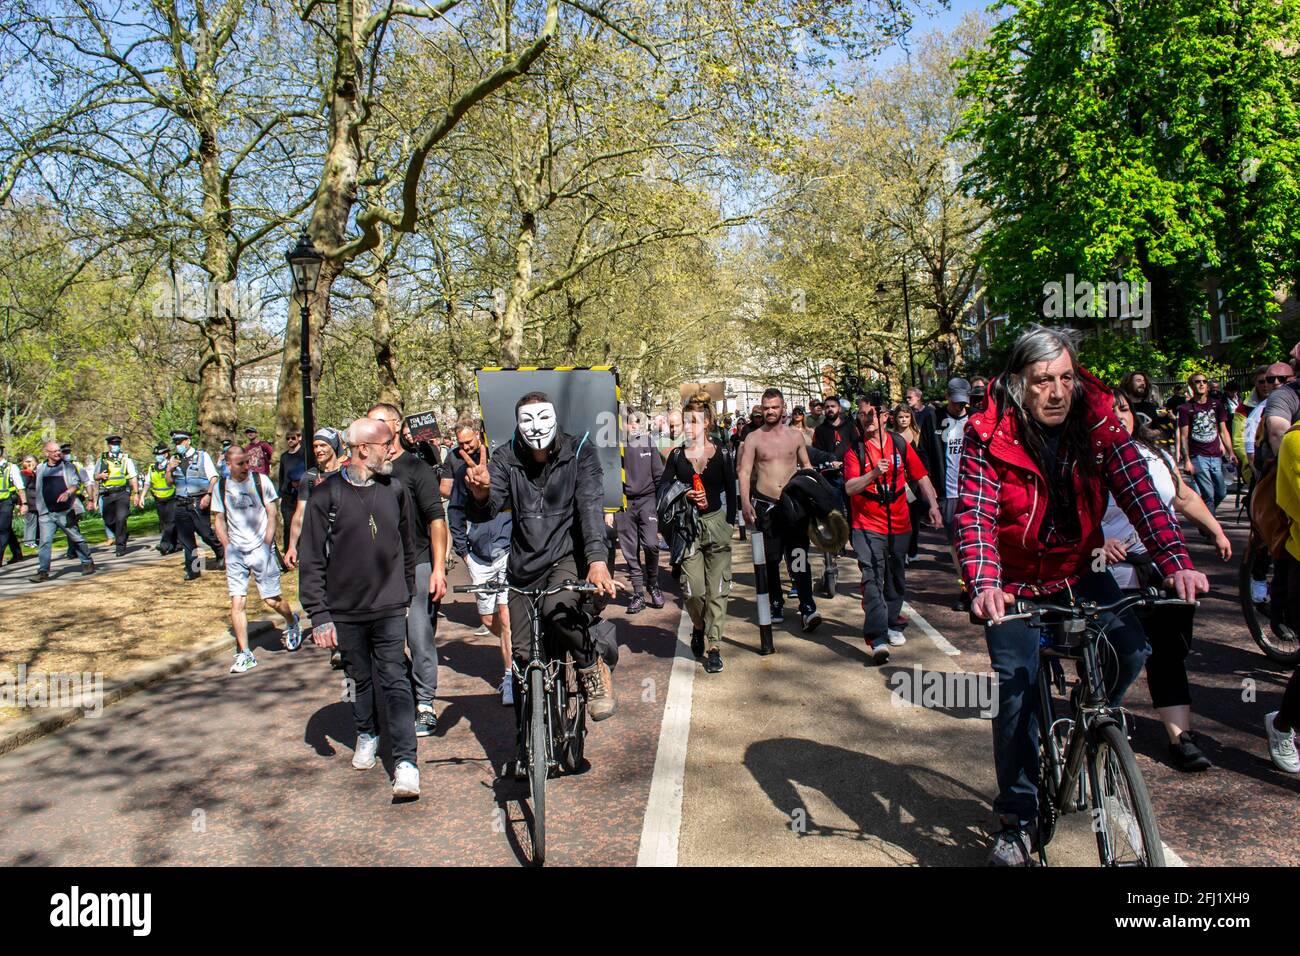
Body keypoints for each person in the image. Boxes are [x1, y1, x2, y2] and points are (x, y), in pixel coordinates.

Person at [957, 324, 1206, 866]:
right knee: (1015, 692)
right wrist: (984, 584)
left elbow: (1140, 491)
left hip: (1080, 565)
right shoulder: (986, 433)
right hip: (1016, 581)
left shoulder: (1097, 423)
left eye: (1066, 378)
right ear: (1019, 383)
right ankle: (1018, 819)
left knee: (1134, 647)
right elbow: (975, 516)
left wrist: (1176, 562)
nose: (1057, 391)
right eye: (1043, 380)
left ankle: (1092, 714)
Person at [461, 391, 621, 724]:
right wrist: (481, 494)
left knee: (557, 613)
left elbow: (590, 506)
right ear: (518, 425)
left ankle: (591, 664)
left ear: (555, 419)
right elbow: (490, 507)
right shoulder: (504, 457)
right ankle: (526, 745)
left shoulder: (579, 451)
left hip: (566, 556)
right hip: (523, 564)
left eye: (543, 418)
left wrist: (596, 560)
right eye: (527, 421)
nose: (535, 428)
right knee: (520, 657)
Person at [1102, 389, 1230, 771]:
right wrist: (1098, 540)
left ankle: (1180, 738)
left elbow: (1183, 496)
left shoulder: (1154, 455)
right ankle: (1101, 716)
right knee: (1122, 652)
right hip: (1111, 574)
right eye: (1109, 411)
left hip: (1162, 571)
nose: (1118, 416)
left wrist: (1216, 530)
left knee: (1169, 652)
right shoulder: (1082, 460)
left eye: (1123, 409)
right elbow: (1066, 517)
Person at [299, 417, 422, 799]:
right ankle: (367, 732)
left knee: (396, 679)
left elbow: (407, 543)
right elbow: (311, 558)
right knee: (359, 677)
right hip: (345, 609)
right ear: (364, 449)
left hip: (388, 604)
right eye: (387, 443)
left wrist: (407, 593)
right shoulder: (325, 495)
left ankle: (406, 762)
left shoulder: (396, 489)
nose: (393, 449)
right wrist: (319, 615)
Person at [366, 402, 448, 737]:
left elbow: (436, 521)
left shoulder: (416, 468)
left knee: (419, 637)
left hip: (417, 563)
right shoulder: (363, 470)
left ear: (396, 426)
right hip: (376, 570)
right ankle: (406, 693)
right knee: (383, 641)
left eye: (378, 423)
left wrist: (439, 568)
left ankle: (425, 704)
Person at [845, 401, 942, 664]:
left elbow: (921, 476)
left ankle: (892, 622)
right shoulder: (856, 451)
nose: (866, 419)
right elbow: (850, 487)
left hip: (899, 522)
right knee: (872, 576)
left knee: (896, 574)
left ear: (885, 416)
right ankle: (876, 637)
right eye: (862, 414)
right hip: (866, 525)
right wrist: (874, 473)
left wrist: (933, 506)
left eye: (871, 414)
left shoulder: (899, 444)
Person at [211, 445, 302, 673]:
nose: (245, 467)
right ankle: (245, 653)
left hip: (261, 549)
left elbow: (272, 514)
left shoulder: (260, 481)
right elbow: (219, 520)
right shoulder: (221, 487)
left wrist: (266, 543)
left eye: (246, 462)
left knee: (271, 600)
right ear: (228, 465)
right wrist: (227, 546)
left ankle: (291, 621)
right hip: (236, 553)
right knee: (237, 602)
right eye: (240, 463)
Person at [738, 387, 822, 632]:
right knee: (771, 559)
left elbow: (806, 465)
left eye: (774, 407)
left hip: (794, 505)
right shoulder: (754, 438)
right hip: (766, 505)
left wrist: (817, 497)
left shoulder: (795, 436)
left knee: (799, 557)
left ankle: (807, 606)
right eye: (766, 408)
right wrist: (745, 503)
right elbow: (743, 472)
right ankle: (776, 602)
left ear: (783, 408)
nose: (770, 412)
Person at [447, 421, 515, 703]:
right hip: (478, 555)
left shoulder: (500, 461)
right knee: (488, 619)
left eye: (469, 441)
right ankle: (515, 644)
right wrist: (463, 552)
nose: (466, 447)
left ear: (478, 434)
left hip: (507, 550)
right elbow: (455, 511)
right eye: (460, 444)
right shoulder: (462, 472)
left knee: (506, 615)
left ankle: (510, 675)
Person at [667, 399, 736, 673]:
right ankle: (698, 625)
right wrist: (684, 493)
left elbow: (731, 490)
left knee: (718, 589)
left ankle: (715, 645)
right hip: (688, 528)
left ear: (706, 423)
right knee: (694, 590)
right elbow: (663, 489)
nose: (687, 426)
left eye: (693, 421)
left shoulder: (723, 453)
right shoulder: (676, 456)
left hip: (717, 524)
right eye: (685, 421)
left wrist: (729, 524)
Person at [925, 378, 973, 610]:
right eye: (956, 403)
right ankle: (965, 588)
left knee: (975, 541)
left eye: (963, 403)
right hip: (949, 493)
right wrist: (931, 488)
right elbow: (924, 453)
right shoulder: (933, 419)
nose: (960, 407)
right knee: (955, 545)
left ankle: (980, 587)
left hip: (973, 491)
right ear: (947, 396)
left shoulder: (975, 420)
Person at [811, 395, 859, 598]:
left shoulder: (850, 427)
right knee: (833, 514)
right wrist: (828, 462)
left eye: (833, 406)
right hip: (829, 477)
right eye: (827, 407)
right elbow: (816, 452)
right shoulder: (821, 430)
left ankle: (855, 543)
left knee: (853, 512)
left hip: (850, 476)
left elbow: (858, 447)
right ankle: (835, 549)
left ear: (839, 408)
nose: (830, 409)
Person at [618, 408, 665, 614]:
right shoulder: (616, 446)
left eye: (638, 422)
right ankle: (638, 593)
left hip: (647, 501)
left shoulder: (649, 443)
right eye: (630, 422)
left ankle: (653, 583)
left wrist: (661, 507)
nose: (634, 425)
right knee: (630, 550)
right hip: (625, 503)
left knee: (652, 544)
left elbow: (659, 477)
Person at [28, 441, 96, 582]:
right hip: (46, 512)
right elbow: (38, 487)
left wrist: (67, 492)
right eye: (54, 451)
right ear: (47, 453)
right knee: (45, 542)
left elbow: (75, 484)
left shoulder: (68, 466)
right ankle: (43, 571)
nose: (58, 453)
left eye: (58, 450)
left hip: (65, 511)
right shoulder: (41, 468)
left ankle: (87, 562)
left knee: (76, 538)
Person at [285, 427, 346, 568]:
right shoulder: (309, 477)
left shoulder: (347, 473)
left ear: (334, 445)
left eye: (323, 445)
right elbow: (300, 513)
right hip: (318, 542)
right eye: (315, 446)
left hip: (345, 541)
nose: (319, 450)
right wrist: (292, 547)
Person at [168, 430, 224, 580]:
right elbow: (169, 482)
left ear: (188, 441)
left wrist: (208, 495)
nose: (178, 445)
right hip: (180, 502)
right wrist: (169, 469)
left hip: (198, 500)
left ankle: (221, 551)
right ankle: (194, 569)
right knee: (186, 538)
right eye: (176, 443)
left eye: (180, 442)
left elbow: (213, 477)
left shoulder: (202, 456)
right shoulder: (174, 459)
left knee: (205, 533)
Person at [1177, 371, 1232, 512]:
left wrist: (1231, 452)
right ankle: (1211, 531)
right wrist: (1187, 460)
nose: (1201, 384)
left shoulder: (1217, 405)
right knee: (1209, 494)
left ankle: (1202, 516)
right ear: (1190, 385)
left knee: (1221, 492)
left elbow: (1223, 431)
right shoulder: (1185, 409)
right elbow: (1183, 436)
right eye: (1197, 381)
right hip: (1198, 456)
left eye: (1204, 381)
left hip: (1215, 455)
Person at [890, 404, 926, 562]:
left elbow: (925, 458)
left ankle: (912, 550)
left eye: (906, 417)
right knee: (899, 519)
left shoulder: (918, 434)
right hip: (898, 482)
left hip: (915, 483)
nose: (904, 420)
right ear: (895, 419)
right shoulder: (891, 436)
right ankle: (900, 551)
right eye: (900, 417)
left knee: (914, 518)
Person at [93, 434, 139, 557]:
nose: (116, 446)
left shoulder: (126, 459)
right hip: (108, 493)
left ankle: (120, 546)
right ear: (109, 445)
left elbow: (133, 476)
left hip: (122, 493)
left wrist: (136, 493)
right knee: (108, 520)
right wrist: (100, 476)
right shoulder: (102, 459)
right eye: (114, 444)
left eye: (118, 444)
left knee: (121, 518)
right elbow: (95, 477)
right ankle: (122, 534)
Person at [138, 443, 178, 554]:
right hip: (159, 499)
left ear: (165, 454)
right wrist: (142, 496)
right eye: (155, 454)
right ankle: (174, 544)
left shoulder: (172, 465)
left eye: (159, 454)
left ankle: (164, 544)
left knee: (171, 522)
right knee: (164, 523)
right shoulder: (152, 468)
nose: (157, 456)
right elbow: (147, 483)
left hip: (172, 497)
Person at [277, 427, 306, 551]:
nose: (290, 440)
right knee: (288, 523)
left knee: (302, 522)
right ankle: (288, 549)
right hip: (287, 495)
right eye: (287, 438)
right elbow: (281, 476)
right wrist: (280, 494)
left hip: (303, 494)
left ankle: (301, 549)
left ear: (299, 438)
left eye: (293, 438)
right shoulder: (284, 457)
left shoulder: (305, 454)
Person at [0, 443, 28, 565]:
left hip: (7, 502)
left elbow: (20, 487)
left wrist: (24, 504)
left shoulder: (11, 467)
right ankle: (17, 553)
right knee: (6, 528)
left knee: (2, 529)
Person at [20, 455, 39, 552]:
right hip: (30, 501)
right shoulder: (26, 473)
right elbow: (23, 487)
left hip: (34, 500)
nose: (30, 464)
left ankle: (31, 540)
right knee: (31, 521)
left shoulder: (33, 473)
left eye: (31, 462)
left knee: (33, 521)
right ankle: (29, 541)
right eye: (27, 461)